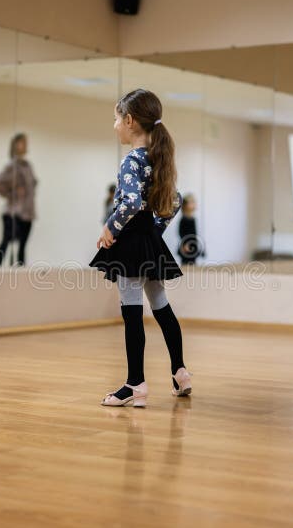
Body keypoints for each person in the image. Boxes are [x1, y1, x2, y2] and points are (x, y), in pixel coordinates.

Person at [90, 89, 192, 408]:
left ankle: (135, 383)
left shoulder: (132, 160)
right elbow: (174, 202)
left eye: (117, 118)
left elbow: (132, 201)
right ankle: (180, 372)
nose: (115, 125)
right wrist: (153, 231)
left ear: (130, 121)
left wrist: (111, 227)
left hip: (131, 243)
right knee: (161, 305)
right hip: (146, 239)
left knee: (132, 311)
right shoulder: (156, 157)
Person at [0, 133, 37, 266]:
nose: (25, 145)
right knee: (6, 241)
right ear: (16, 144)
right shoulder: (12, 165)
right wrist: (12, 193)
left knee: (22, 246)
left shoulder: (28, 166)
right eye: (22, 142)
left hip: (27, 213)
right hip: (13, 212)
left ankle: (20, 276)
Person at [178, 194, 204, 265]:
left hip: (192, 245)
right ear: (186, 205)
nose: (194, 204)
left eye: (194, 202)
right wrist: (185, 244)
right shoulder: (184, 219)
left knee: (193, 263)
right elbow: (181, 232)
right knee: (186, 264)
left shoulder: (193, 219)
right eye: (191, 202)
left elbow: (194, 234)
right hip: (186, 246)